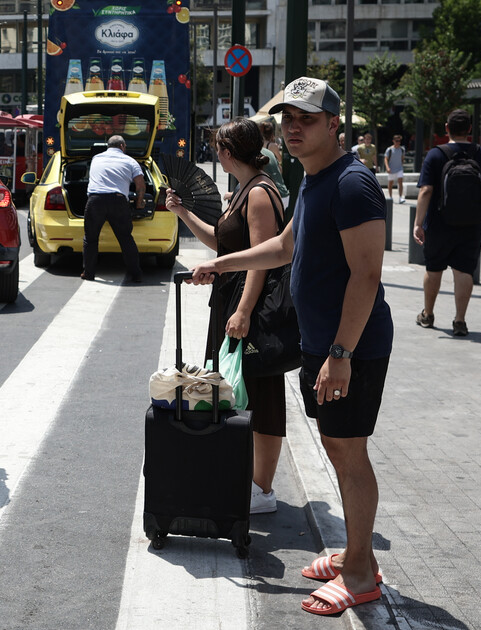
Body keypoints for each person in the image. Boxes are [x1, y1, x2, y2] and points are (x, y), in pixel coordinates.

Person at [189, 77, 392, 616]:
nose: (293, 127)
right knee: (337, 448)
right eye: (287, 118)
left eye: (307, 118)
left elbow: (367, 275)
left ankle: (360, 574)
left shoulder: (351, 183)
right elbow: (282, 247)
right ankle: (357, 552)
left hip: (350, 349)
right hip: (323, 344)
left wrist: (341, 355)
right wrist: (221, 263)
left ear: (333, 124)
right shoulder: (314, 180)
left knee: (349, 454)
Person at [166, 118, 287, 515]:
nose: (216, 153)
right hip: (231, 303)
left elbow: (263, 259)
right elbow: (223, 244)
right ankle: (243, 476)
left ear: (228, 153)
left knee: (261, 397)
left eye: (218, 147)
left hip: (248, 307)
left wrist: (244, 311)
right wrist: (183, 212)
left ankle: (262, 490)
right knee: (232, 390)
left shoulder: (259, 194)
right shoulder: (244, 189)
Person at [413, 108, 481, 337]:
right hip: (471, 225)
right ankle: (460, 321)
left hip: (439, 223)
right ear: (469, 129)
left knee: (434, 269)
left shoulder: (435, 155)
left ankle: (428, 314)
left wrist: (418, 223)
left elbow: (426, 190)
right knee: (464, 271)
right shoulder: (480, 154)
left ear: (447, 128)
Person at [81, 135, 145, 283]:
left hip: (95, 200)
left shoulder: (96, 158)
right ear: (122, 146)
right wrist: (139, 203)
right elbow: (140, 184)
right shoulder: (130, 161)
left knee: (90, 239)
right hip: (118, 201)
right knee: (125, 238)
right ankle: (136, 274)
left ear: (108, 146)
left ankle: (88, 273)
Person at [382, 135, 406, 204]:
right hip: (391, 168)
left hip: (399, 168)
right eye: (396, 141)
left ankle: (400, 197)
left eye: (399, 141)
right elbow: (385, 159)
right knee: (390, 183)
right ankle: (390, 197)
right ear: (393, 141)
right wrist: (387, 167)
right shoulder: (389, 149)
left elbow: (402, 158)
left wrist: (401, 165)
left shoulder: (402, 149)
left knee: (400, 181)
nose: (398, 142)